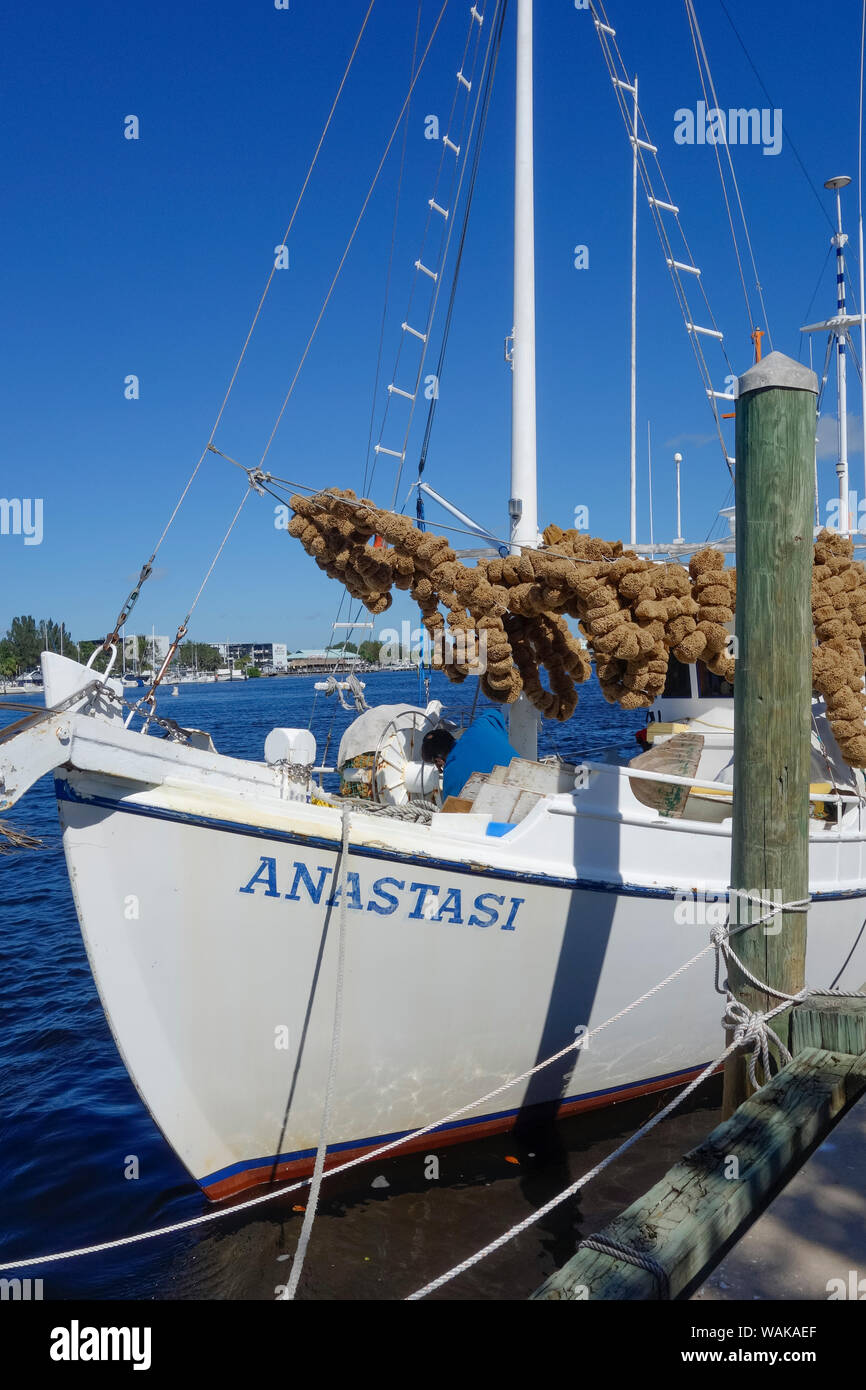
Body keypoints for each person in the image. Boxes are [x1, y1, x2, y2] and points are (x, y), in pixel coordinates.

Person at [422, 706, 520, 802]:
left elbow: (451, 812)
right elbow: (494, 713)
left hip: (505, 806)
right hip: (526, 783)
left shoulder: (452, 776)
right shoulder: (481, 725)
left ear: (439, 760)